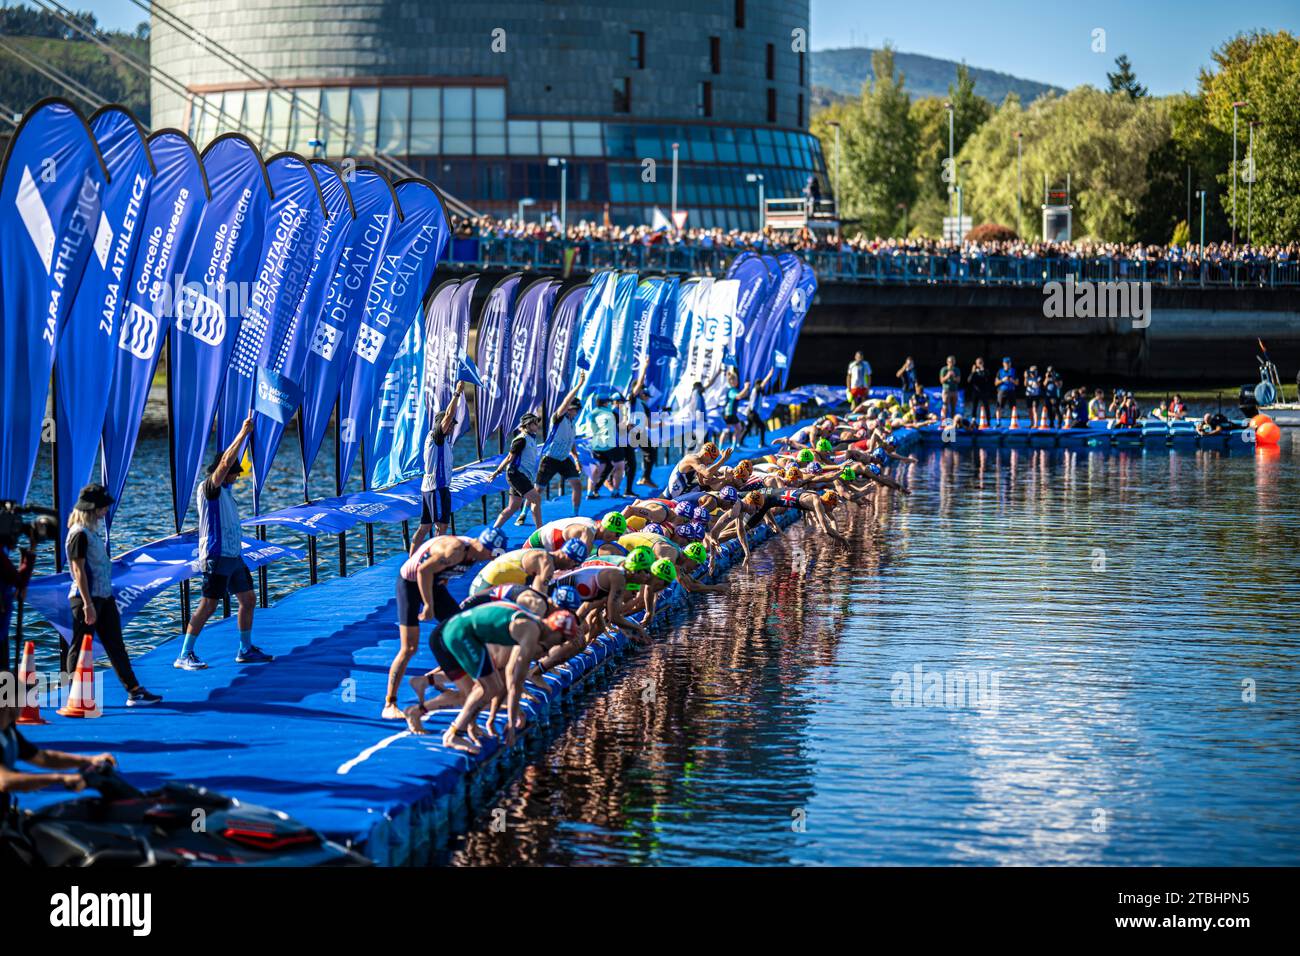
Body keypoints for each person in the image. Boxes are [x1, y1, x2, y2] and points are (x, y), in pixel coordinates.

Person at [381, 527, 508, 721]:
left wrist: (442, 584)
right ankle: (390, 703)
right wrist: (429, 605)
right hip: (410, 583)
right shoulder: (455, 550)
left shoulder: (474, 552)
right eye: (492, 555)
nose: (491, 560)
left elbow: (440, 571)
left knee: (463, 632)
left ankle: (448, 683)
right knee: (409, 647)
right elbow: (423, 570)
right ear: (485, 547)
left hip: (435, 583)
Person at [175, 416, 269, 671]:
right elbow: (227, 460)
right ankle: (185, 653)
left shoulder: (226, 493)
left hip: (233, 556)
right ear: (224, 473)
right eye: (234, 474)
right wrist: (242, 433)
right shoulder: (209, 489)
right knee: (208, 604)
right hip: (216, 556)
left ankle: (245, 649)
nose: (236, 477)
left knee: (248, 599)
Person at [65, 484, 162, 705]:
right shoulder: (78, 533)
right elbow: (78, 570)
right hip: (85, 599)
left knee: (116, 645)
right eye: (103, 506)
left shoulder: (91, 531)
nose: (106, 509)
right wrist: (88, 604)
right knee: (79, 647)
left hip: (104, 597)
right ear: (92, 508)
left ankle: (134, 690)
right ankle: (75, 695)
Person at [1, 699, 118, 830]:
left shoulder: (7, 730)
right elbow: (4, 781)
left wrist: (89, 760)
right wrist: (61, 778)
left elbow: (42, 757)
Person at [414, 382, 465, 545]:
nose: (451, 427)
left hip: (434, 487)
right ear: (441, 424)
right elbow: (449, 415)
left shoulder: (444, 441)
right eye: (450, 424)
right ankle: (434, 560)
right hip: (437, 488)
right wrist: (457, 393)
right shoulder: (436, 436)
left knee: (426, 526)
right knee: (441, 527)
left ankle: (413, 558)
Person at [533, 373, 586, 516]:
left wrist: (576, 459)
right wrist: (579, 385)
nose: (577, 412)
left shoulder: (571, 423)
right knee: (537, 491)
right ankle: (524, 512)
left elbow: (571, 442)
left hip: (564, 459)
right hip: (550, 459)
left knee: (577, 485)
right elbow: (565, 402)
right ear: (570, 409)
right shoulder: (558, 418)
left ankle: (575, 514)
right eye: (576, 409)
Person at [489, 412, 545, 530]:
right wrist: (496, 472)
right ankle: (540, 531)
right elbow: (510, 458)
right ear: (527, 425)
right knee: (536, 499)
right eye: (534, 423)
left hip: (522, 475)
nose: (537, 425)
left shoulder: (531, 438)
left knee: (513, 506)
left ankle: (494, 530)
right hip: (516, 475)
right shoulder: (521, 440)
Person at [585, 394, 621, 498]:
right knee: (620, 466)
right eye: (609, 402)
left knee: (597, 469)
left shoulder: (592, 414)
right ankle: (615, 491)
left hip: (597, 444)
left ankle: (590, 493)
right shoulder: (610, 414)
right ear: (605, 403)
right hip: (610, 444)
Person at [967, 357, 992, 425]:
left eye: (981, 362)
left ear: (983, 363)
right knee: (974, 406)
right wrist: (972, 372)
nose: (980, 364)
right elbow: (969, 381)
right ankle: (973, 420)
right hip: (976, 391)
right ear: (976, 364)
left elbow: (989, 378)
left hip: (984, 391)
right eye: (978, 363)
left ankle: (988, 420)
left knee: (986, 406)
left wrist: (983, 370)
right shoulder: (974, 372)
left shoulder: (985, 371)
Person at [994, 357, 1018, 425]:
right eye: (1006, 363)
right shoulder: (1000, 371)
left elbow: (1017, 383)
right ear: (1003, 364)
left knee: (1013, 407)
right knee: (999, 407)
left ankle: (1014, 422)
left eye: (1008, 363)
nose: (1007, 364)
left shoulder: (1013, 371)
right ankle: (998, 422)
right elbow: (995, 383)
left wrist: (1012, 380)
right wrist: (1002, 380)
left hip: (1011, 391)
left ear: (1010, 363)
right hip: (1002, 391)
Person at [939, 356, 961, 421]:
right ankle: (944, 421)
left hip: (954, 390)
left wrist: (954, 377)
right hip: (946, 390)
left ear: (954, 362)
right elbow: (941, 381)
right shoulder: (944, 369)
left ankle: (953, 421)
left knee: (953, 407)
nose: (951, 363)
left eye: (952, 362)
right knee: (945, 406)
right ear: (947, 362)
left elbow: (958, 380)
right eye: (950, 362)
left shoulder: (957, 370)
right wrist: (947, 376)